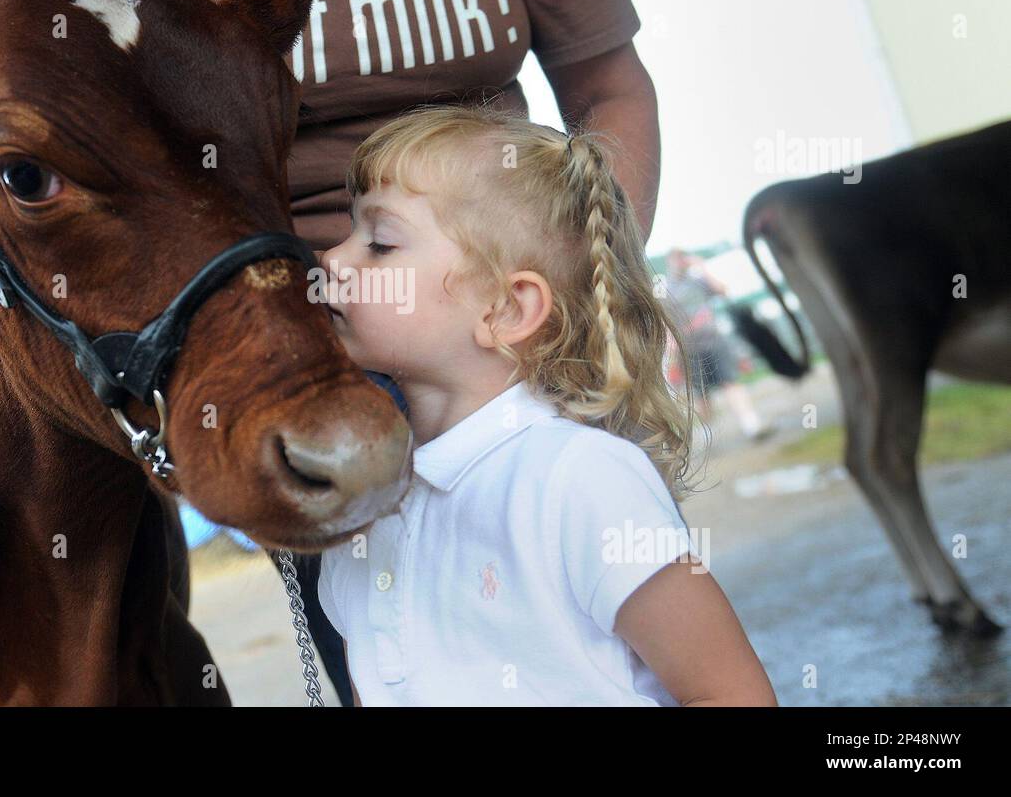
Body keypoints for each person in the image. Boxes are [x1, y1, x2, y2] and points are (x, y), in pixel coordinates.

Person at [42, 0, 661, 705]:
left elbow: (609, 86)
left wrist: (590, 292)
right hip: (281, 308)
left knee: (572, 538)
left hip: (502, 278)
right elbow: (77, 128)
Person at [315, 104, 776, 705]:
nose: (331, 259)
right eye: (349, 231)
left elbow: (732, 695)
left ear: (506, 310)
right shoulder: (365, 504)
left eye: (378, 243)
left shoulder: (581, 478)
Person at [664, 248, 774, 442]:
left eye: (683, 257)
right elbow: (667, 325)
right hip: (689, 348)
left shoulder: (698, 281)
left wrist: (702, 268)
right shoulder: (666, 291)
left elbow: (722, 291)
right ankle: (709, 433)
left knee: (731, 381)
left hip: (714, 341)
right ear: (670, 262)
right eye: (677, 258)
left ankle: (751, 425)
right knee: (701, 395)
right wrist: (673, 354)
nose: (680, 262)